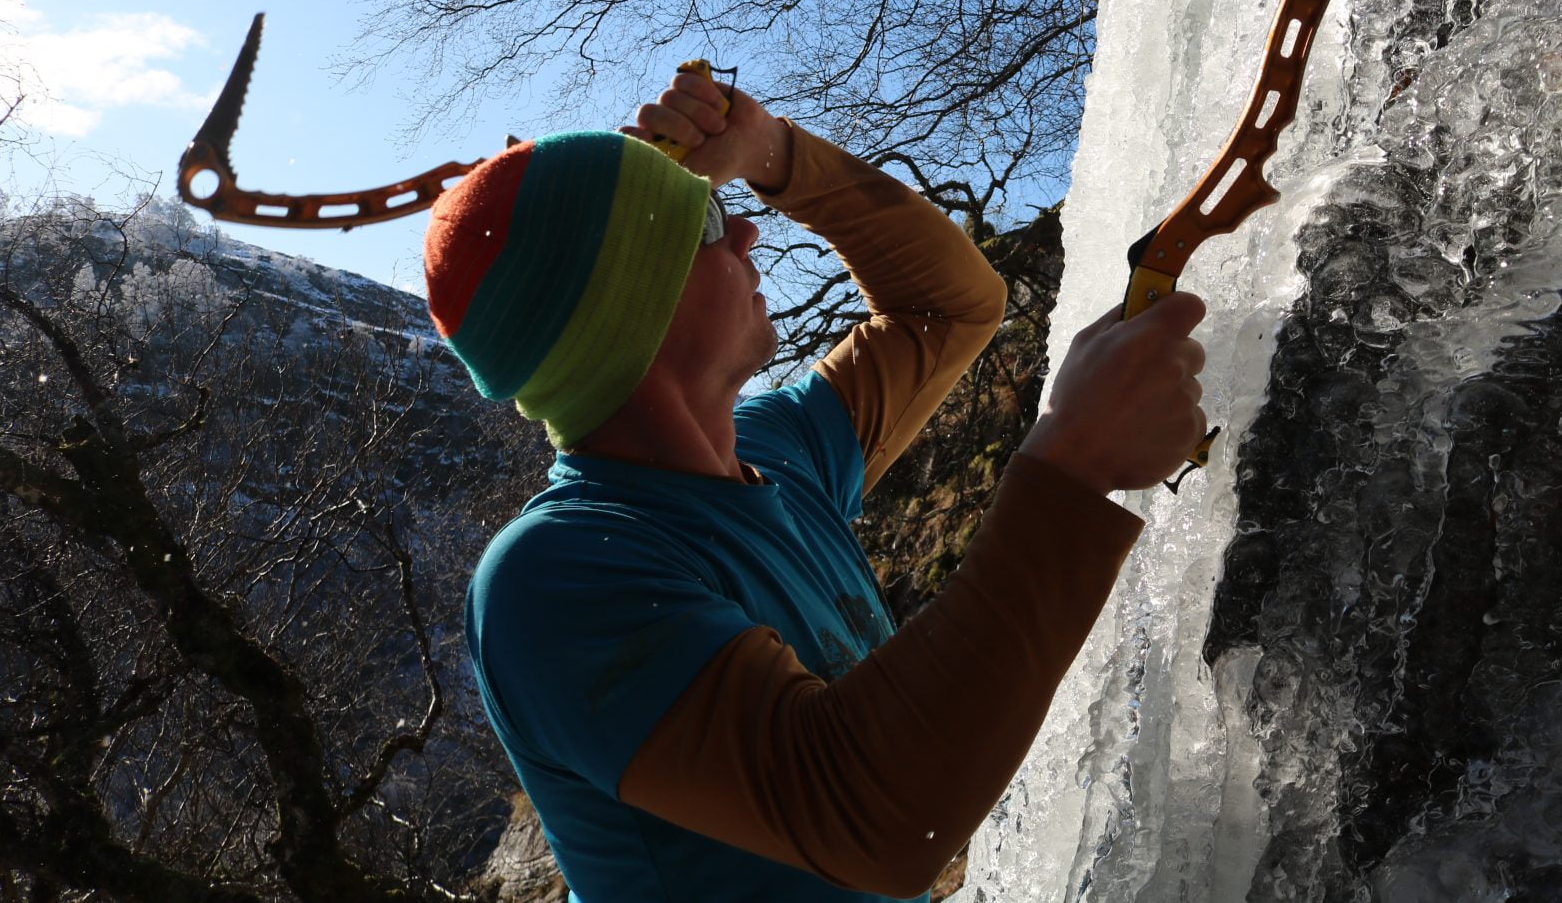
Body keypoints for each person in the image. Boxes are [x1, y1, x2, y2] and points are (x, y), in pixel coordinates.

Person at [426, 68, 1209, 902]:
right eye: (705, 219)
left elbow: (952, 306)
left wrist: (770, 152)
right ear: (630, 303)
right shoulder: (551, 577)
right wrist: (1073, 463)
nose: (745, 238)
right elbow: (873, 817)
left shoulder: (775, 446)